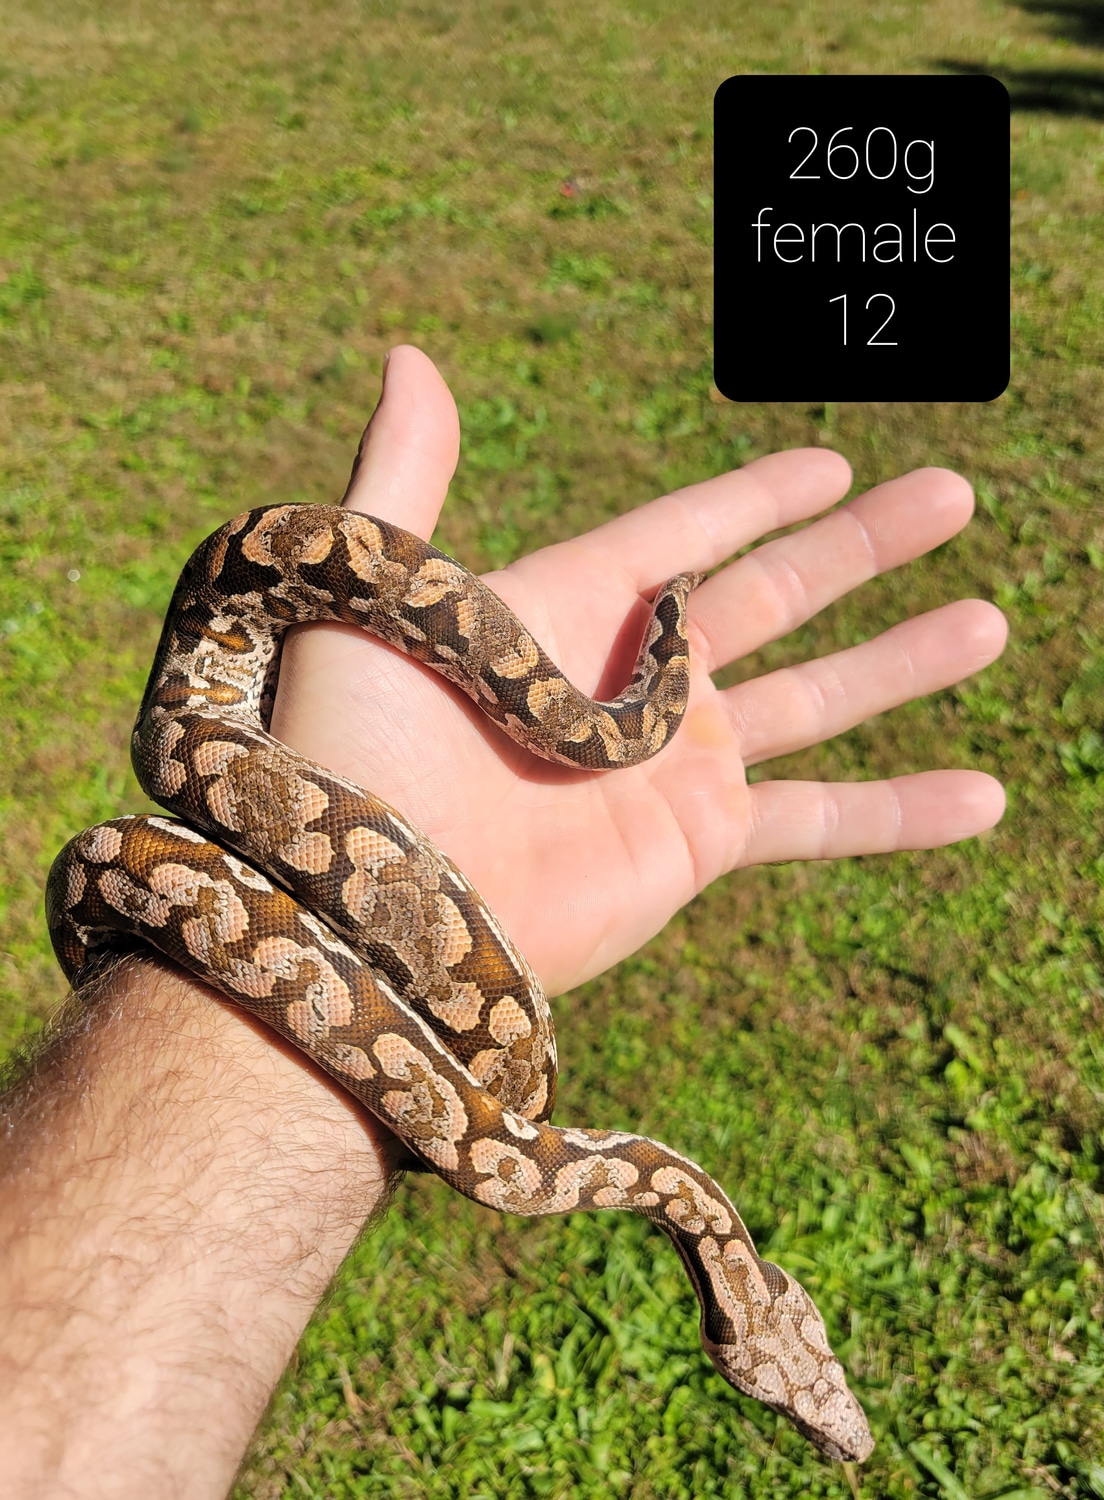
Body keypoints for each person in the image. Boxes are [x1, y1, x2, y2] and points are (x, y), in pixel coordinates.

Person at [0, 347, 1007, 1498]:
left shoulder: (516, 1128)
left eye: (799, 1392)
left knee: (496, 1060)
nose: (819, 1411)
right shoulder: (510, 1132)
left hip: (198, 803)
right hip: (221, 849)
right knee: (506, 1072)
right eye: (802, 1387)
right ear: (750, 1318)